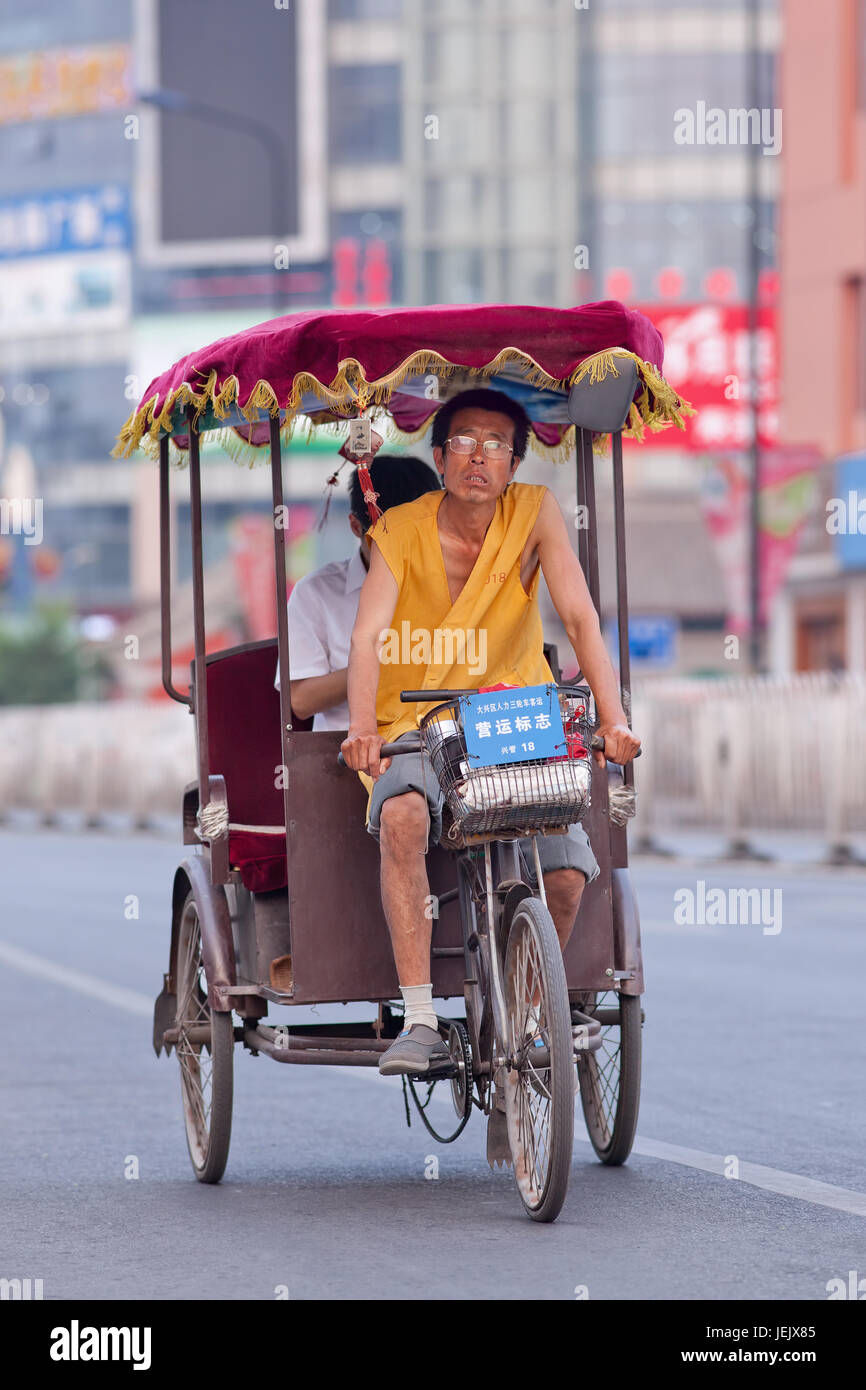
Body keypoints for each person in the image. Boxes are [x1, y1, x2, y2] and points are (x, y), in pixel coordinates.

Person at [340, 388, 641, 1076]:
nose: (481, 457)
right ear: (440, 458)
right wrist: (360, 727)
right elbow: (367, 635)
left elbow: (581, 618)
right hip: (416, 721)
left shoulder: (533, 513)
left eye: (497, 445)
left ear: (514, 465)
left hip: (515, 719)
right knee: (405, 815)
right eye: (466, 443)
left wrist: (615, 719)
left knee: (565, 876)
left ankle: (530, 1010)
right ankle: (419, 1018)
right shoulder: (397, 531)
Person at [276, 453, 440, 730]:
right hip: (344, 758)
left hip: (443, 752)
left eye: (418, 539)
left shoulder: (458, 581)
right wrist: (383, 661)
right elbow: (301, 700)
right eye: (389, 541)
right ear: (355, 526)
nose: (403, 554)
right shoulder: (317, 592)